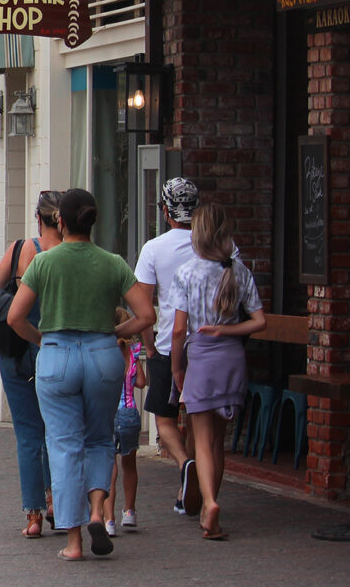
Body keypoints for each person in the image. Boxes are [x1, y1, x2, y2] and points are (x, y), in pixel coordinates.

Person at [8, 188, 154, 561]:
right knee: (100, 440)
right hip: (102, 355)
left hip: (57, 356)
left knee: (63, 445)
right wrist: (115, 333)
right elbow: (146, 314)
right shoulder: (112, 263)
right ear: (93, 221)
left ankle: (73, 541)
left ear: (60, 221)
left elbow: (15, 317)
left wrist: (43, 340)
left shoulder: (45, 263)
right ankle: (96, 512)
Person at [171, 203, 265, 542]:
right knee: (219, 442)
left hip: (202, 358)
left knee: (202, 442)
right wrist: (227, 330)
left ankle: (209, 503)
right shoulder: (238, 271)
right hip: (232, 359)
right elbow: (259, 321)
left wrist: (177, 368)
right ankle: (214, 504)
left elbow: (179, 330)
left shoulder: (187, 273)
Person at [134, 177, 214, 516]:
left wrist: (147, 347)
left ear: (165, 211)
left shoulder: (154, 248)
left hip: (169, 345)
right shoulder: (216, 245)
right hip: (210, 346)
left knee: (164, 420)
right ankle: (196, 488)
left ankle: (184, 464)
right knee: (198, 419)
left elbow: (144, 305)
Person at [0, 190, 61, 539]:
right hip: (55, 346)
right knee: (57, 430)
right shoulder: (66, 255)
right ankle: (55, 500)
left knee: (28, 434)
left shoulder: (20, 250)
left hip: (17, 349)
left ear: (39, 219)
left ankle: (32, 515)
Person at [105, 314, 144, 538]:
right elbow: (141, 382)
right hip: (130, 413)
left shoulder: (104, 351)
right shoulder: (133, 353)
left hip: (110, 411)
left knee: (110, 466)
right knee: (130, 464)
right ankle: (129, 511)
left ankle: (109, 519)